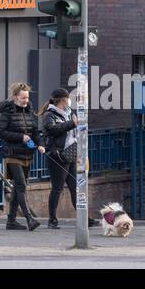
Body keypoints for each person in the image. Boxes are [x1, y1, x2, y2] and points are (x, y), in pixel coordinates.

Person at [42, 87, 93, 230]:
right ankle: (52, 220)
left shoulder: (70, 113)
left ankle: (85, 218)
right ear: (63, 100)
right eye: (68, 99)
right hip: (58, 156)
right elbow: (52, 129)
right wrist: (72, 124)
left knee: (75, 187)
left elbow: (76, 130)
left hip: (72, 154)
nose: (70, 101)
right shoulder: (49, 115)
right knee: (57, 188)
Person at [0, 82, 43, 231]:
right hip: (12, 154)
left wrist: (40, 144)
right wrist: (20, 137)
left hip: (27, 154)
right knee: (21, 185)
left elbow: (35, 131)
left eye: (27, 97)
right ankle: (29, 218)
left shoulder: (29, 111)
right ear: (15, 97)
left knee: (17, 187)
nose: (26, 100)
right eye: (23, 98)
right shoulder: (7, 112)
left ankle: (11, 221)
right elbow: (0, 131)